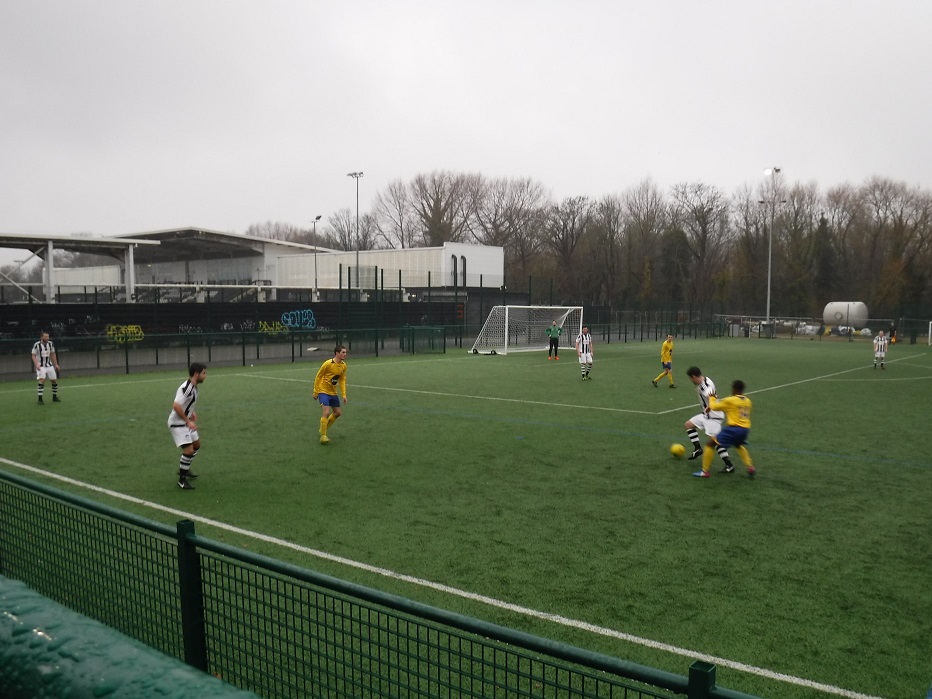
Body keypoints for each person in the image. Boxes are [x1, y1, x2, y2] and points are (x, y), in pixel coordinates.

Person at [693, 379, 755, 479]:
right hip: (745, 430)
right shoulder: (748, 401)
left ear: (734, 389)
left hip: (734, 429)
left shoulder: (731, 400)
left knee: (710, 444)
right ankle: (750, 467)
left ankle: (705, 472)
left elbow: (714, 406)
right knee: (738, 445)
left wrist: (712, 398)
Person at [684, 366, 736, 473]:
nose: (691, 381)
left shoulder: (704, 386)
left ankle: (729, 465)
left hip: (714, 417)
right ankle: (698, 448)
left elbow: (710, 394)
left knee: (716, 442)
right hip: (706, 415)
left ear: (693, 377)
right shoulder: (706, 380)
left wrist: (710, 405)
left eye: (690, 379)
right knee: (689, 424)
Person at [167, 362, 208, 490]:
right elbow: (176, 405)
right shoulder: (188, 388)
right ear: (196, 374)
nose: (205, 376)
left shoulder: (194, 387)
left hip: (184, 422)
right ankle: (182, 480)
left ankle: (185, 468)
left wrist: (192, 412)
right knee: (189, 450)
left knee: (196, 445)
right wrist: (188, 420)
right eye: (204, 373)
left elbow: (186, 404)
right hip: (177, 424)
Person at [313, 344, 349, 444]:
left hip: (333, 392)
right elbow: (318, 376)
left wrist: (344, 395)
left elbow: (342, 380)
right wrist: (316, 391)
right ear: (337, 353)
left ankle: (323, 428)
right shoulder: (328, 364)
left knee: (338, 413)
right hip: (323, 391)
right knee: (326, 412)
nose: (345, 354)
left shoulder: (343, 366)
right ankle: (323, 436)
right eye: (343, 352)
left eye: (345, 352)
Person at [31, 331, 61, 404]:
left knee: (54, 380)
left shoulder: (50, 344)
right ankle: (40, 399)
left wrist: (56, 364)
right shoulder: (36, 345)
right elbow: (33, 355)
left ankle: (54, 397)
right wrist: (36, 364)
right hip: (41, 366)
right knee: (42, 380)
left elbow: (53, 354)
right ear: (41, 337)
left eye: (48, 336)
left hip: (49, 365)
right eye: (46, 337)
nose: (47, 338)